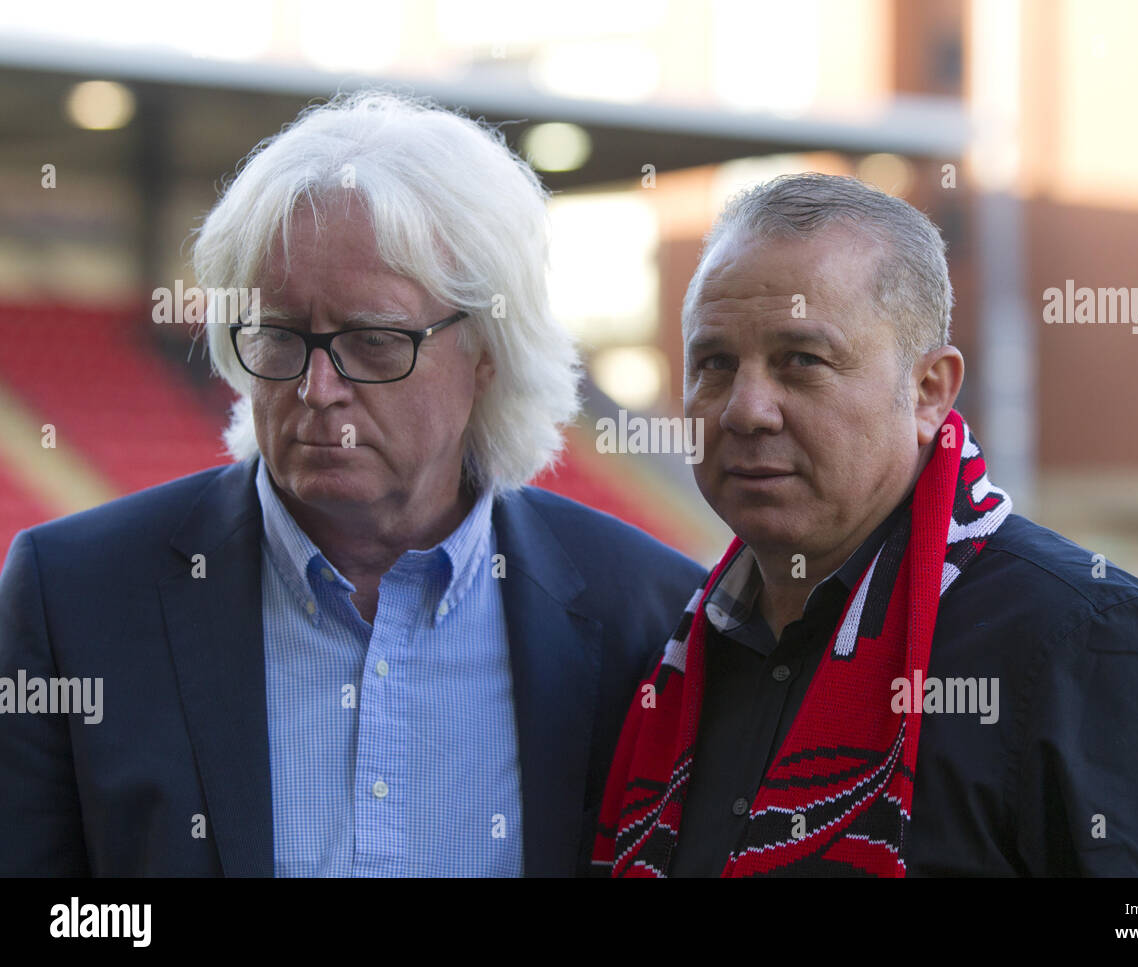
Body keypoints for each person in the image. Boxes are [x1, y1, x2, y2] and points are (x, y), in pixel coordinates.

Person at [0, 91, 704, 876]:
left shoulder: (652, 616)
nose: (317, 387)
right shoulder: (75, 598)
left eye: (373, 341)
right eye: (278, 335)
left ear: (486, 352)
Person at [594, 173, 1138, 876]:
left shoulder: (1098, 645)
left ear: (929, 392)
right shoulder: (675, 661)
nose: (746, 409)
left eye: (800, 360)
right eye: (714, 364)